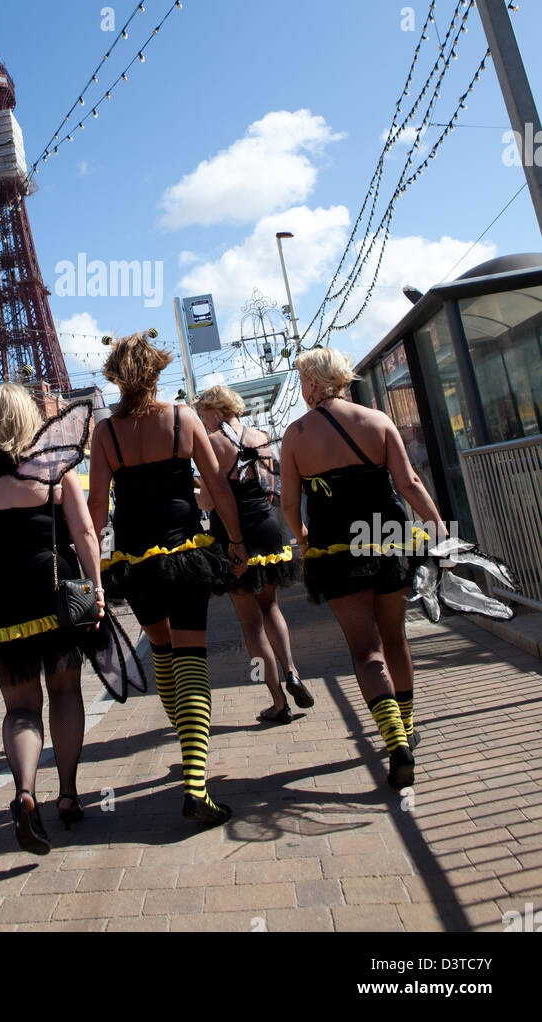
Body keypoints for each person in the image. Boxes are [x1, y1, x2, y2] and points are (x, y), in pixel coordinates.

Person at [88, 333, 247, 827]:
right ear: (156, 373)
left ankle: (188, 752)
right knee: (192, 655)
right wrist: (236, 542)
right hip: (185, 552)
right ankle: (196, 783)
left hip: (134, 561)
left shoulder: (105, 433)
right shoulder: (182, 418)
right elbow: (216, 483)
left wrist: (91, 568)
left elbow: (96, 508)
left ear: (116, 376)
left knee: (161, 653)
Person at [0, 384, 106, 856]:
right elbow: (83, 534)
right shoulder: (55, 470)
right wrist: (97, 587)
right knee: (65, 690)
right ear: (30, 420)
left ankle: (23, 794)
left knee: (19, 709)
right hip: (53, 592)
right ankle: (69, 795)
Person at [280, 348, 446, 790]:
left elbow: (289, 503)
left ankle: (395, 744)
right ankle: (408, 727)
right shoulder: (377, 420)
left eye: (302, 382)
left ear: (313, 384)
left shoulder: (296, 435)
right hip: (388, 538)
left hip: (336, 548)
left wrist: (304, 540)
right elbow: (409, 482)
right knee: (395, 637)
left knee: (365, 651)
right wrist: (437, 529)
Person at [194, 385, 314, 724]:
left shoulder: (211, 443)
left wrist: (197, 488)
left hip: (232, 534)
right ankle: (291, 669)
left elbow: (208, 502)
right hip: (265, 524)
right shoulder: (259, 437)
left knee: (250, 624)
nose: (202, 420)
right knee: (271, 606)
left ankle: (277, 701)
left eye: (203, 413)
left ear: (215, 411)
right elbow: (272, 486)